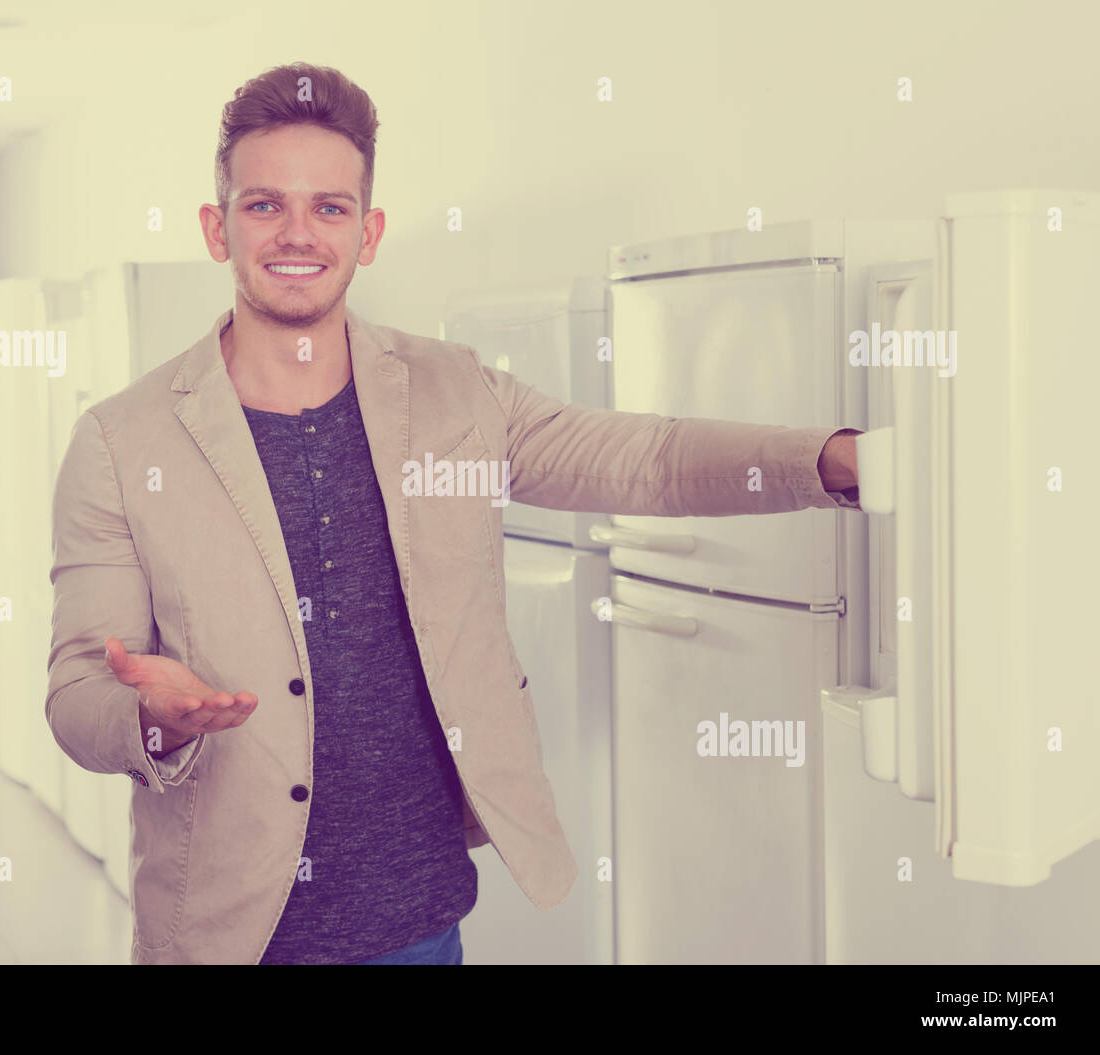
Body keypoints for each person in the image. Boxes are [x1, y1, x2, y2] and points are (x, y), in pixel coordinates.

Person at [46, 61, 861, 966]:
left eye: (330, 207)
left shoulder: (453, 392)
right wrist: (156, 720)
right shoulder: (123, 441)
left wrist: (828, 459)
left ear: (369, 229)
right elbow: (80, 692)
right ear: (217, 226)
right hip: (231, 931)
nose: (298, 234)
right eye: (264, 205)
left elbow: (649, 460)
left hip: (422, 921)